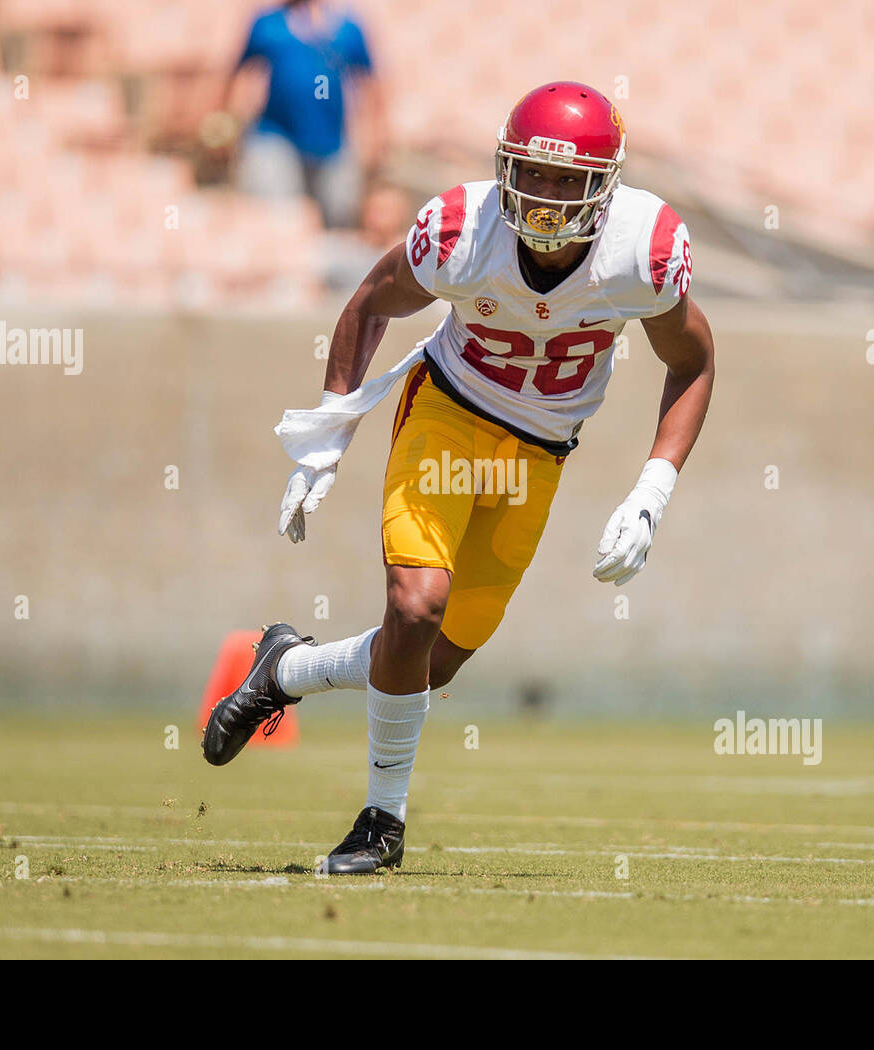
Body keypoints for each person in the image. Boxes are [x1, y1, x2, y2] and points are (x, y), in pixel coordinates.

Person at [202, 81, 715, 874]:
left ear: (606, 186)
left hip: (539, 452)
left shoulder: (641, 254)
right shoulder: (462, 232)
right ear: (505, 167)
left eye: (566, 179)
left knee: (430, 659)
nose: (544, 197)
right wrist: (329, 431)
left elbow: (692, 360)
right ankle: (383, 821)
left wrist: (654, 488)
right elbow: (373, 300)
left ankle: (286, 667)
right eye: (531, 174)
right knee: (416, 606)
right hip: (448, 413)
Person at [214, 0, 382, 229]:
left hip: (332, 144)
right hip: (275, 137)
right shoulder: (268, 25)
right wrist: (224, 126)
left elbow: (369, 82)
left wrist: (377, 135)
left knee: (338, 218)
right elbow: (236, 74)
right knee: (278, 217)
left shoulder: (346, 29)